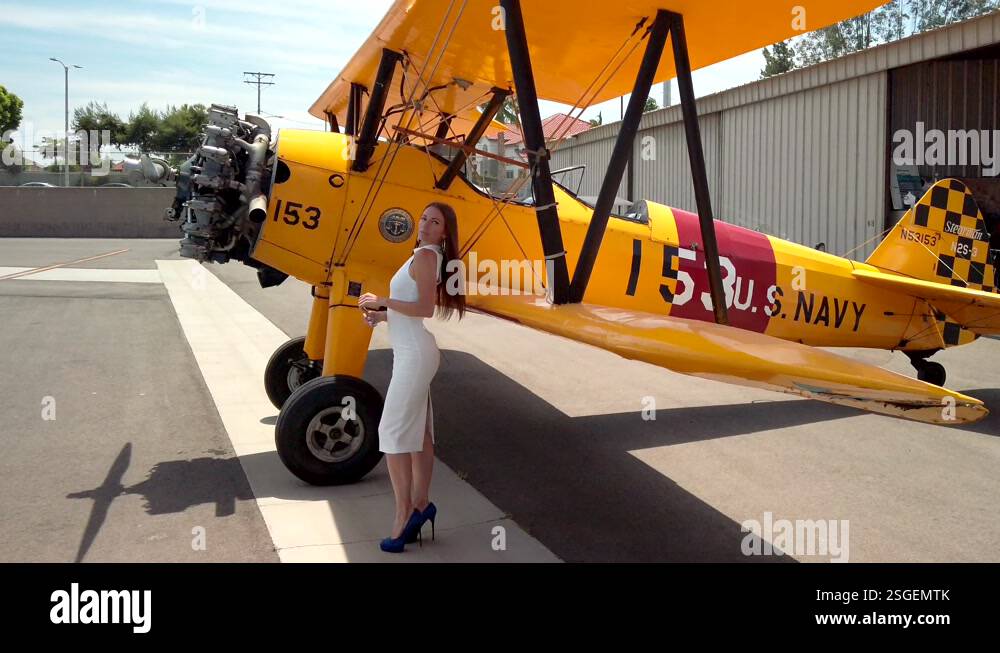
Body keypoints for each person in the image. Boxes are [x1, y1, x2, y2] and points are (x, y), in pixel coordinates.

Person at [358, 202, 466, 553]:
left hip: (415, 355)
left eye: (434, 222)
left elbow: (424, 309)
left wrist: (381, 301)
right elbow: (410, 312)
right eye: (423, 218)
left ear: (444, 232)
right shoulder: (422, 255)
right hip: (412, 352)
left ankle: (404, 514)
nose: (425, 224)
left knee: (391, 432)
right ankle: (421, 504)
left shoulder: (426, 257)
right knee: (418, 432)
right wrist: (384, 316)